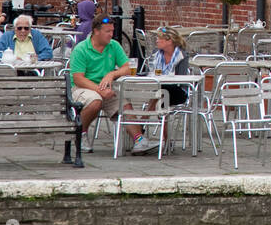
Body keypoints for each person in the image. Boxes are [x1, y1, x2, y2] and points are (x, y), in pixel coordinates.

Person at [69, 15, 153, 153]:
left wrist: (112, 74)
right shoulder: (81, 49)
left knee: (124, 103)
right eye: (107, 31)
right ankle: (80, 134)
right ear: (96, 31)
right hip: (83, 88)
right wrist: (99, 90)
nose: (111, 34)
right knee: (95, 101)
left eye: (112, 31)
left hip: (107, 87)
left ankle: (139, 140)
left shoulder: (114, 45)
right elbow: (78, 78)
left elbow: (127, 68)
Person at [147, 27, 189, 106]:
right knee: (161, 91)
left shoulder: (181, 56)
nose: (157, 41)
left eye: (159, 38)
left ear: (169, 41)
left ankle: (146, 115)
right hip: (159, 87)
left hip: (178, 91)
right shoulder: (155, 53)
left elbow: (182, 79)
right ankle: (156, 116)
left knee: (162, 91)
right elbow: (149, 71)